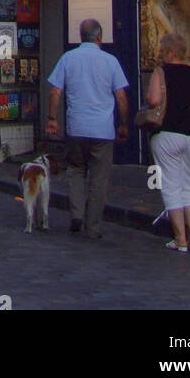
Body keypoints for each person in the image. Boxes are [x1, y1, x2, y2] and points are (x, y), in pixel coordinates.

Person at [46, 18, 129, 238]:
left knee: (75, 170)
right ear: (99, 37)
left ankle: (76, 214)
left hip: (77, 127)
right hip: (102, 129)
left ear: (80, 37)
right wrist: (122, 123)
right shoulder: (110, 61)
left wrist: (52, 118)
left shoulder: (68, 58)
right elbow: (121, 95)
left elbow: (55, 91)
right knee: (99, 178)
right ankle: (93, 226)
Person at [145, 31, 190, 251]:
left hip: (168, 134)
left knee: (171, 187)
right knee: (189, 185)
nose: (160, 54)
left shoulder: (161, 72)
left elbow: (153, 99)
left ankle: (180, 239)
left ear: (171, 52)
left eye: (162, 50)